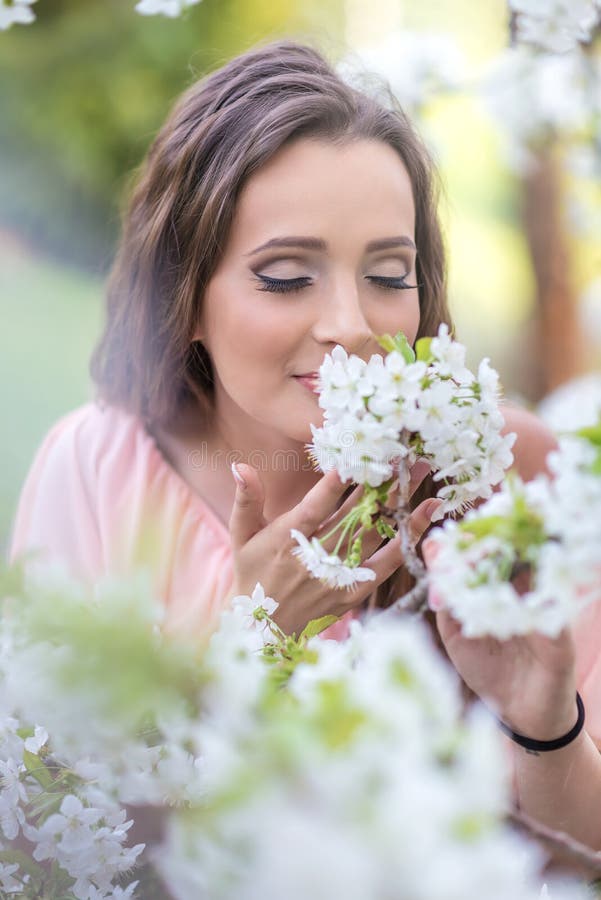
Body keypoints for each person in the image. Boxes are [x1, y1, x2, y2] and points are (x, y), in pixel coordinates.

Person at [8, 39, 600, 850]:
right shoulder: (97, 471)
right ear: (179, 298)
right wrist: (239, 651)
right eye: (286, 277)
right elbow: (47, 837)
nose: (351, 328)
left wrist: (545, 727)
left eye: (389, 276)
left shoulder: (510, 476)